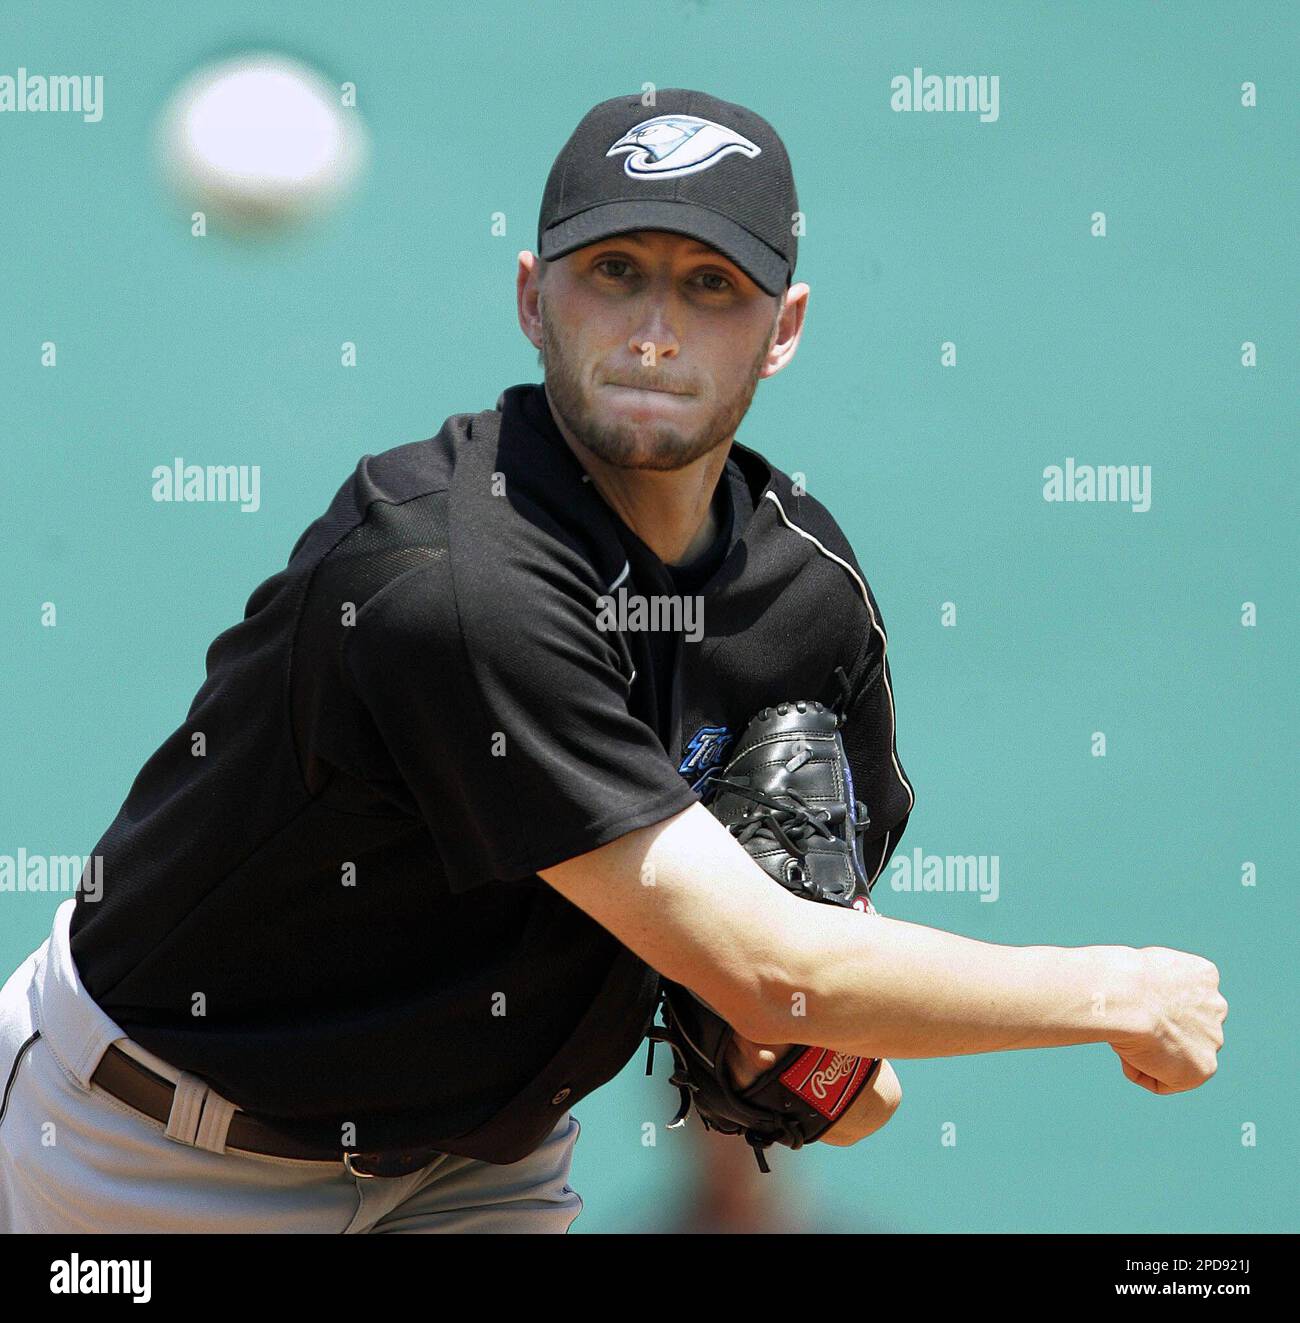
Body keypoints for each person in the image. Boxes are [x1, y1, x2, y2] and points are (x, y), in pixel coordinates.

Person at [0, 89, 1225, 1235]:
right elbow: (767, 967)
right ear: (533, 300)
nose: (653, 331)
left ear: (783, 329)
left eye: (711, 286)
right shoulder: (444, 579)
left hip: (485, 1168)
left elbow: (802, 1007)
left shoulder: (805, 601)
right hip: (148, 1157)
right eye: (613, 274)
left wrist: (810, 1053)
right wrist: (1121, 990)